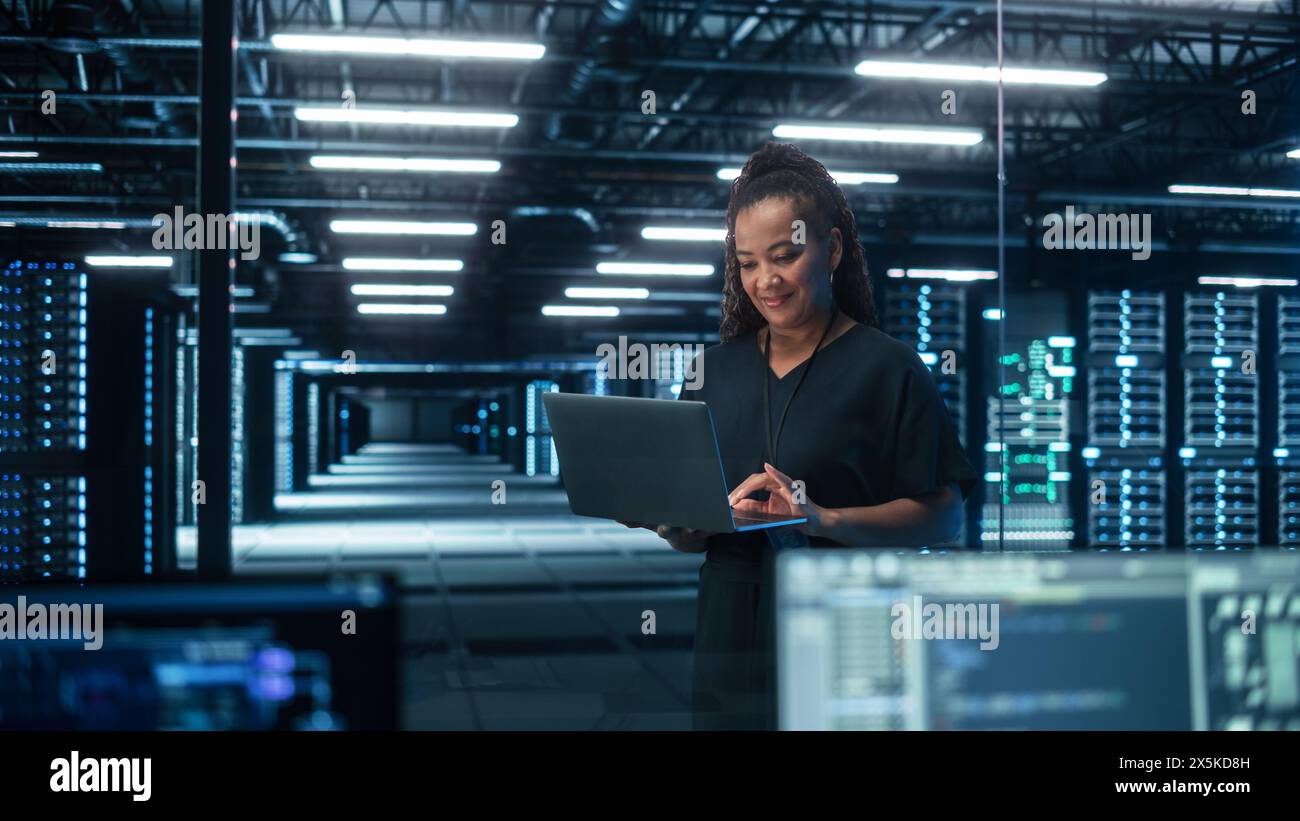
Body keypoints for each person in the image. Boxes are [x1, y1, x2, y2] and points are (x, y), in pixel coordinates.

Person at [632, 142, 978, 730]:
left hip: (848, 617)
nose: (765, 281)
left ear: (833, 249)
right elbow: (693, 538)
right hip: (730, 625)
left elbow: (945, 519)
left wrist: (822, 520)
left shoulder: (887, 368)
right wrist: (680, 524)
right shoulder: (712, 372)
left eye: (785, 255)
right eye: (747, 263)